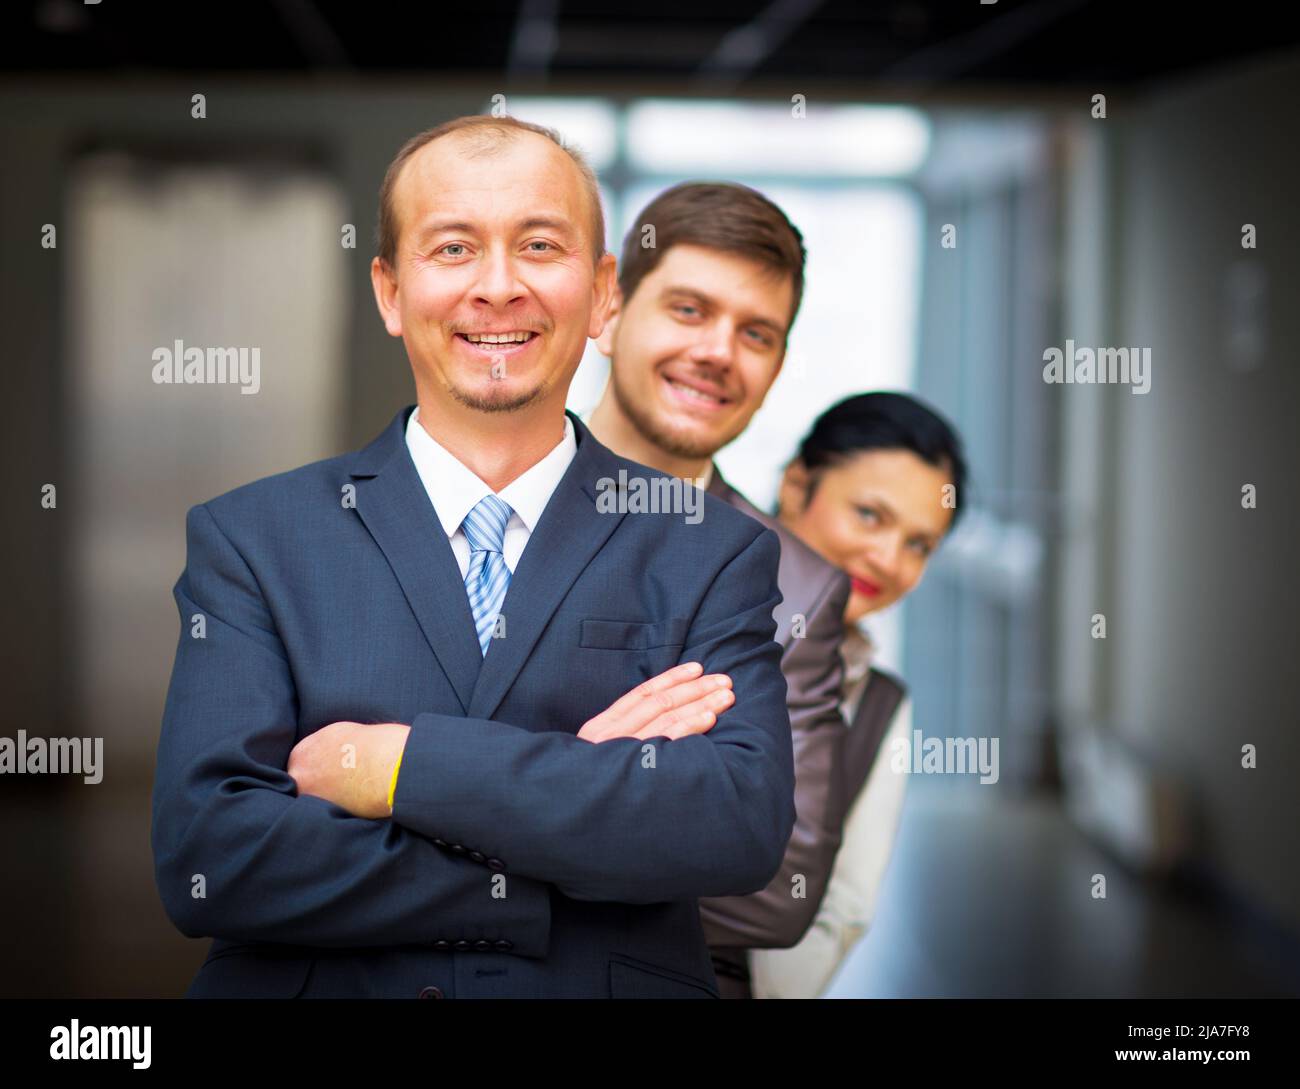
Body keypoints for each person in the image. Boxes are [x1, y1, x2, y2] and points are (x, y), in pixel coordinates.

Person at [150, 115, 798, 999]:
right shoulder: (255, 540)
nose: (498, 287)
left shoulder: (711, 550)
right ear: (388, 291)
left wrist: (396, 768)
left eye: (539, 245)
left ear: (604, 292)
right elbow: (213, 858)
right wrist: (571, 813)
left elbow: (730, 827)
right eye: (453, 248)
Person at [584, 181, 852, 998]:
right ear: (609, 308)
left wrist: (496, 829)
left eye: (757, 333)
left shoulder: (796, 584)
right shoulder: (476, 507)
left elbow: (777, 888)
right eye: (690, 309)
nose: (719, 353)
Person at [748, 391, 969, 998]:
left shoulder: (879, 708)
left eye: (919, 544)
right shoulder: (679, 611)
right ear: (797, 486)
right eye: (871, 515)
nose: (888, 559)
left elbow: (843, 912)